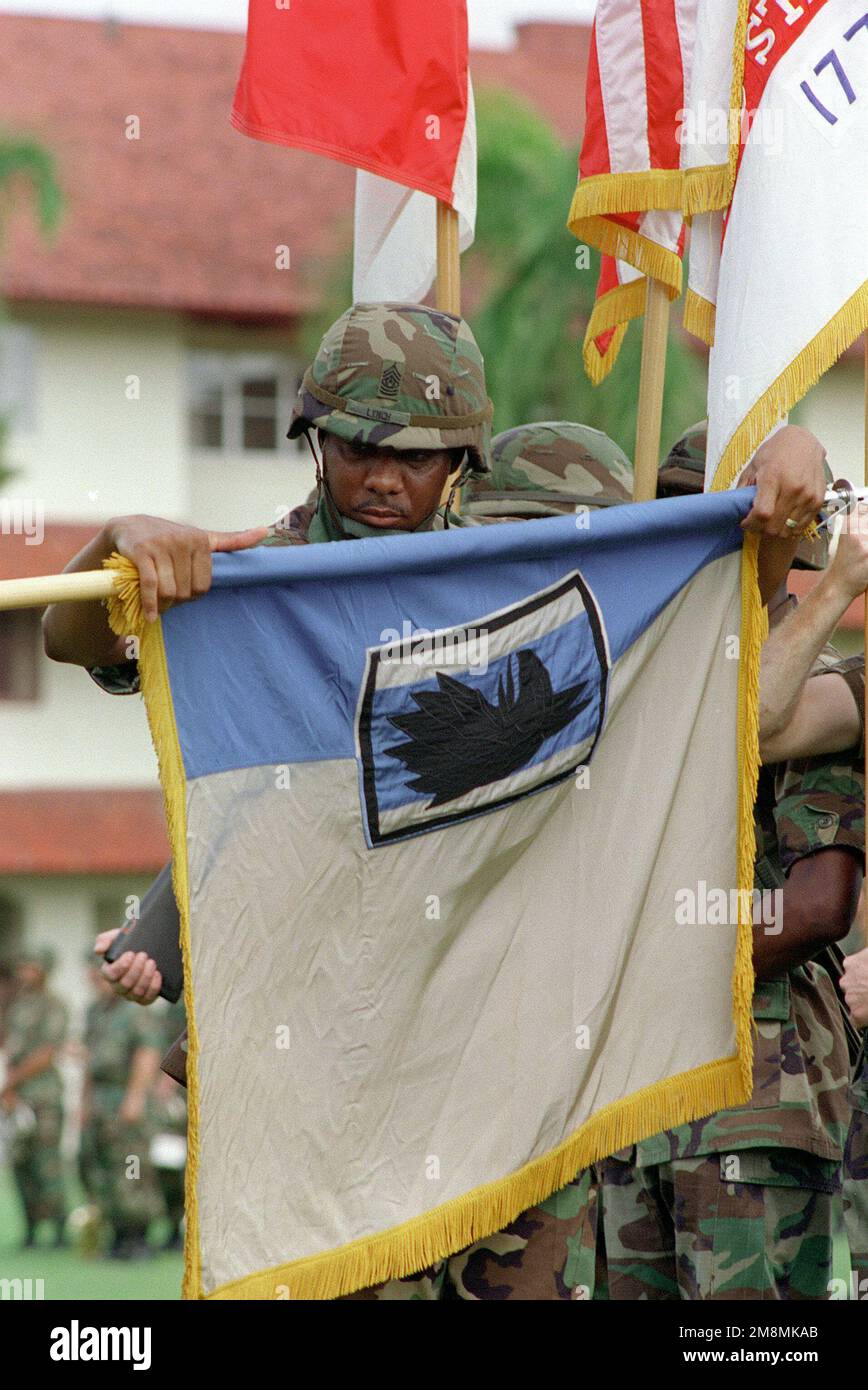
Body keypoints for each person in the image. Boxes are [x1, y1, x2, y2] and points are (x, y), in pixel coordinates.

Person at [593, 424, 863, 1300]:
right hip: (637, 1097)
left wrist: (657, 951)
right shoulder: (632, 675)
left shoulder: (828, 680)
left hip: (756, 1083)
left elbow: (817, 907)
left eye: (742, 522)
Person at [79, 955, 164, 1258]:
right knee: (103, 1169)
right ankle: (117, 1234)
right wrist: (84, 1103)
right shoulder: (95, 1012)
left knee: (132, 1168)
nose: (94, 980)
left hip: (124, 1095)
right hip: (101, 1100)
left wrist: (136, 1098)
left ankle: (138, 1237)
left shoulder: (135, 1011)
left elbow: (147, 1052)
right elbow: (90, 1062)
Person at [1, 947, 68, 1248]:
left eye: (30, 966)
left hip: (44, 1095)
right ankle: (31, 1227)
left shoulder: (54, 1006)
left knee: (47, 1163)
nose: (24, 972)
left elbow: (46, 1053)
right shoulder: (17, 1004)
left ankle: (59, 1228)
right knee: (21, 1163)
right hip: (16, 1097)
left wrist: (11, 1082)